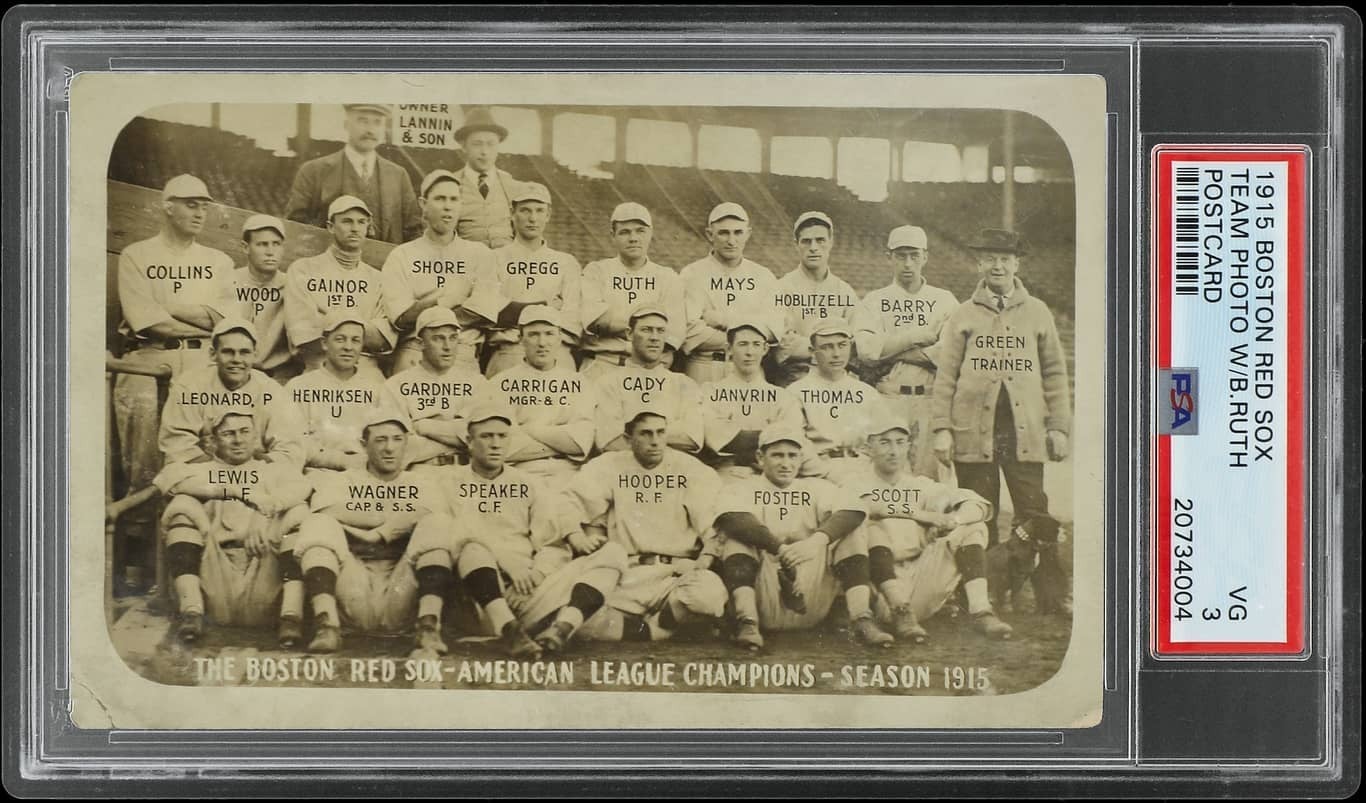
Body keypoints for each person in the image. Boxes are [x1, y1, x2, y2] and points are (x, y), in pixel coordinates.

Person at [405, 401, 627, 656]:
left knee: (613, 553)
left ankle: (561, 630)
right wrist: (506, 562)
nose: (495, 444)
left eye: (502, 436)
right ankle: (500, 629)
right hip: (475, 600)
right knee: (472, 549)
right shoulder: (446, 481)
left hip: (526, 591)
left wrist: (535, 576)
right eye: (486, 436)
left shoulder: (529, 483)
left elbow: (552, 543)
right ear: (469, 441)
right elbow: (443, 532)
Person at [930, 228, 1071, 549]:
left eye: (1005, 259)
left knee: (1035, 516)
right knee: (978, 515)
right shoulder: (963, 314)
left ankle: (1039, 582)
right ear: (979, 264)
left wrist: (1059, 427)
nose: (998, 266)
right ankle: (983, 579)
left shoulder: (1038, 312)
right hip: (973, 431)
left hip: (1025, 432)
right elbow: (946, 376)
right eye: (990, 259)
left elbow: (1054, 373)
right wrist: (942, 429)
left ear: (1016, 264)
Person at [711, 424, 893, 651]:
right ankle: (747, 622)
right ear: (760, 457)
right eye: (777, 455)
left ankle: (862, 619)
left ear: (801, 458)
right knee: (736, 540)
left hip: (809, 591)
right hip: (763, 590)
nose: (786, 463)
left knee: (852, 533)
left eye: (792, 455)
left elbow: (855, 510)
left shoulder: (816, 487)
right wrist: (780, 549)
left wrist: (816, 542)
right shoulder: (741, 487)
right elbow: (732, 518)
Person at [560, 407, 727, 644]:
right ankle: (654, 631)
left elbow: (714, 525)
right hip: (626, 574)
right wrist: (576, 536)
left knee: (709, 596)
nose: (655, 441)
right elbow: (569, 502)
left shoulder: (690, 468)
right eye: (645, 434)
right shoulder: (608, 465)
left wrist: (703, 562)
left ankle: (656, 625)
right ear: (628, 439)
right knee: (577, 617)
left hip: (672, 575)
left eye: (661, 432)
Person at [114, 174, 236, 496]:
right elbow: (150, 324)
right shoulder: (137, 255)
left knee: (205, 457)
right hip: (149, 358)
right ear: (168, 207)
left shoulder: (219, 262)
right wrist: (205, 322)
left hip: (202, 362)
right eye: (191, 205)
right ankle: (140, 522)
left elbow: (224, 321)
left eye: (204, 207)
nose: (200, 213)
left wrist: (164, 305)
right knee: (144, 468)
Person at [153, 409, 312, 646]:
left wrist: (265, 512)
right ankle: (191, 613)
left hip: (264, 570)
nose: (238, 440)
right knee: (182, 506)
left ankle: (291, 617)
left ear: (255, 436)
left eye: (245, 431)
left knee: (298, 512)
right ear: (212, 440)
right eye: (228, 434)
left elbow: (302, 489)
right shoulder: (201, 469)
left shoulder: (273, 469)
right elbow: (167, 481)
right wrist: (233, 491)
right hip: (214, 574)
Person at [294, 410, 446, 652]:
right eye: (380, 440)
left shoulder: (421, 482)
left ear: (406, 443)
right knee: (318, 524)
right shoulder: (342, 481)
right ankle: (327, 625)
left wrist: (377, 532)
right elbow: (325, 511)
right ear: (364, 445)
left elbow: (432, 513)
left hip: (403, 587)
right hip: (354, 585)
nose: (389, 448)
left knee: (437, 525)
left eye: (397, 439)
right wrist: (398, 521)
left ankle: (429, 627)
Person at [855, 419, 1013, 643]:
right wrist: (927, 517)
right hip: (878, 589)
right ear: (869, 448)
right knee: (868, 530)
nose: (894, 451)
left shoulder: (920, 484)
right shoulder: (856, 481)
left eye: (900, 442)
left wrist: (953, 520)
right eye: (884, 442)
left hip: (919, 577)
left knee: (971, 527)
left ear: (909, 447)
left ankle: (981, 611)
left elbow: (979, 505)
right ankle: (889, 613)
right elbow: (870, 507)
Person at [853, 225, 959, 480]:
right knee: (888, 477)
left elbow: (948, 355)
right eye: (901, 256)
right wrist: (916, 338)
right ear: (889, 257)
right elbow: (866, 352)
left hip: (930, 399)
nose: (908, 263)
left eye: (914, 255)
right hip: (889, 398)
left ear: (925, 257)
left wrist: (889, 350)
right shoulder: (874, 300)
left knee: (930, 481)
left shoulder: (944, 300)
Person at [381, 169, 503, 375]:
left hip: (462, 352)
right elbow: (402, 318)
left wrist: (426, 308)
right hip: (415, 352)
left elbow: (483, 311)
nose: (448, 206)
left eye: (454, 199)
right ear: (423, 204)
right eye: (440, 199)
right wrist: (449, 301)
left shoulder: (480, 254)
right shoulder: (402, 255)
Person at [158, 317, 305, 472]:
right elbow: (178, 446)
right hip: (204, 472)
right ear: (213, 354)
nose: (236, 359)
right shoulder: (190, 386)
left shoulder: (272, 391)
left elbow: (290, 451)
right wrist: (223, 468)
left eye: (244, 352)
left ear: (255, 355)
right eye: (228, 352)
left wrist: (245, 465)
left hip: (258, 474)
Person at [478, 306, 596, 487]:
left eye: (549, 334)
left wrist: (528, 429)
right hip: (518, 474)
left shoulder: (579, 383)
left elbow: (581, 442)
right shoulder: (500, 384)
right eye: (533, 334)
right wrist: (560, 443)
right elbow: (501, 447)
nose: (542, 342)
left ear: (559, 338)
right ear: (520, 339)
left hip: (568, 474)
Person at [282, 196, 396, 372]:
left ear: (368, 227)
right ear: (330, 227)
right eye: (347, 221)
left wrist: (327, 322)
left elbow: (381, 340)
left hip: (366, 371)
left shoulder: (378, 279)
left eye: (361, 222)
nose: (355, 228)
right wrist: (362, 328)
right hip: (319, 367)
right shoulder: (303, 269)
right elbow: (303, 335)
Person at [284, 103, 421, 244]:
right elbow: (296, 228)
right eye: (362, 121)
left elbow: (413, 231)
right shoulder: (313, 171)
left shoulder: (398, 175)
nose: (370, 130)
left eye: (377, 122)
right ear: (346, 124)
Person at [485, 182, 583, 377]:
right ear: (512, 213)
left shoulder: (566, 262)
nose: (532, 218)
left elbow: (573, 317)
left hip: (557, 356)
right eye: (525, 210)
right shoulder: (494, 259)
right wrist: (547, 306)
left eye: (539, 210)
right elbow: (490, 313)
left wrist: (513, 309)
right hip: (510, 353)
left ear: (548, 215)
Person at [578, 203, 685, 379]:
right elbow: (595, 320)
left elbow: (674, 331)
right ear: (613, 235)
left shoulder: (667, 276)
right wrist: (650, 324)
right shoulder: (596, 271)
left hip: (648, 370)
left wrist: (614, 319)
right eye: (625, 232)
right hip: (603, 364)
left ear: (650, 233)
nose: (633, 238)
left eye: (640, 231)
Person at [679, 203, 782, 383]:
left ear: (748, 234)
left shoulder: (763, 276)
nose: (731, 241)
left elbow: (774, 329)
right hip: (705, 367)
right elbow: (690, 331)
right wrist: (749, 338)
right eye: (723, 233)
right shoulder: (692, 274)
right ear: (710, 235)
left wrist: (723, 320)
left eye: (738, 233)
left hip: (750, 371)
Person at [284, 311, 394, 472]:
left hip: (365, 471)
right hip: (317, 472)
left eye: (355, 340)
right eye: (340, 339)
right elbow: (292, 441)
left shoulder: (377, 389)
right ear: (324, 343)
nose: (348, 347)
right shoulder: (299, 387)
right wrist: (340, 461)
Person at [699, 318, 804, 479]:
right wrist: (772, 437)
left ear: (765, 349)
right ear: (729, 349)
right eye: (743, 344)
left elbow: (791, 439)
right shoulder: (710, 391)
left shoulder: (783, 397)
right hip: (725, 472)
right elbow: (716, 438)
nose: (750, 352)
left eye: (756, 344)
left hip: (770, 475)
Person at [384, 306, 489, 467]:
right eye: (438, 338)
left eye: (453, 338)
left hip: (467, 472)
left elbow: (490, 438)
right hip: (421, 472)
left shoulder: (477, 383)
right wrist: (462, 439)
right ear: (421, 344)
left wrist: (423, 427)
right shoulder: (395, 386)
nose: (447, 346)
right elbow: (396, 447)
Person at [592, 307, 704, 455]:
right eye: (646, 330)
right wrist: (669, 434)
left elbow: (692, 438)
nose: (654, 337)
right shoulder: (608, 383)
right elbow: (609, 440)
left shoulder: (684, 383)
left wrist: (635, 434)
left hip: (672, 466)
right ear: (629, 334)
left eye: (660, 331)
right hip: (624, 465)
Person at [787, 321, 888, 483]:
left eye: (842, 345)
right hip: (819, 474)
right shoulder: (796, 393)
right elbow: (794, 446)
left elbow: (884, 440)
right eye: (827, 347)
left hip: (864, 471)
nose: (836, 354)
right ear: (812, 351)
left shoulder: (867, 393)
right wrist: (828, 474)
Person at [770, 211, 860, 386]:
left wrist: (810, 348)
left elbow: (856, 343)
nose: (813, 247)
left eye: (820, 240)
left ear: (831, 242)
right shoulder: (781, 288)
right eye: (806, 241)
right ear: (796, 244)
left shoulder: (844, 291)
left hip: (836, 382)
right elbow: (785, 345)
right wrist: (834, 349)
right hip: (794, 379)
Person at [233, 214, 297, 381]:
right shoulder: (229, 281)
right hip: (233, 374)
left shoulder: (293, 286)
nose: (270, 252)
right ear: (245, 247)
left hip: (277, 377)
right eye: (262, 244)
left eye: (276, 244)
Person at [454, 107, 518, 249]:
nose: (484, 151)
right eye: (477, 144)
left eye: (491, 144)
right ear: (464, 147)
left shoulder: (509, 183)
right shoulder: (451, 183)